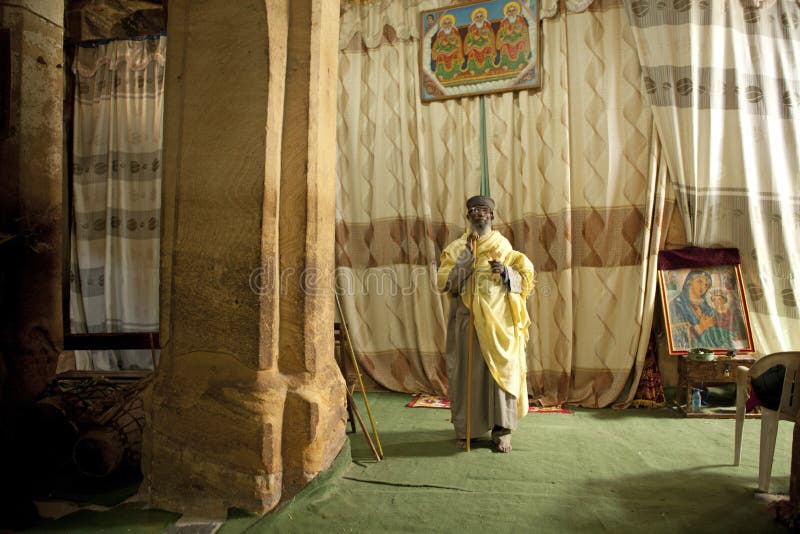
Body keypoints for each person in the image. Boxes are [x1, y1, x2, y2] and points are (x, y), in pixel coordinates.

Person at [436, 195, 535, 452]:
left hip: (500, 323)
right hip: (468, 321)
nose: (479, 214)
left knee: (500, 376)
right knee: (468, 376)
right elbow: (447, 283)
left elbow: (525, 279)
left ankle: (502, 430)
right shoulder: (456, 248)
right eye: (474, 211)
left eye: (484, 210)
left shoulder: (503, 245)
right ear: (467, 216)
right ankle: (467, 429)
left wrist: (505, 272)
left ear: (491, 215)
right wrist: (467, 257)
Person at [667, 270, 732, 349]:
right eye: (699, 281)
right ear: (689, 282)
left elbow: (717, 333)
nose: (703, 287)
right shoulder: (677, 304)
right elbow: (675, 335)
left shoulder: (708, 307)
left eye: (706, 285)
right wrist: (701, 327)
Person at [495, 1, 531, 71]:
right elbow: (501, 32)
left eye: (513, 10)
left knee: (521, 44)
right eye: (509, 11)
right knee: (504, 46)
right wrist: (502, 37)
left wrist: (522, 34)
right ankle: (505, 64)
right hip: (507, 40)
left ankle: (521, 62)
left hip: (518, 38)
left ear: (516, 11)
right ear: (507, 12)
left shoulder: (520, 20)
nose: (511, 12)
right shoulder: (504, 22)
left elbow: (524, 30)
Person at [463, 7, 496, 76]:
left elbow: (491, 38)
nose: (479, 18)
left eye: (481, 16)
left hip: (486, 44)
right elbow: (468, 40)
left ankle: (488, 67)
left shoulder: (487, 27)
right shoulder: (472, 30)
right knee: (472, 52)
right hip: (474, 46)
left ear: (484, 17)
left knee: (487, 49)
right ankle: (472, 69)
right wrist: (470, 43)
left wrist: (488, 39)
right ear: (474, 19)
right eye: (477, 17)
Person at [431, 14, 463, 83]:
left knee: (455, 54)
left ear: (451, 24)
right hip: (443, 51)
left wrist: (455, 44)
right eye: (445, 23)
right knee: (440, 56)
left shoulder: (455, 33)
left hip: (453, 50)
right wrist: (438, 49)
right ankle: (441, 74)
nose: (447, 25)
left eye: (449, 23)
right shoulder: (440, 35)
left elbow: (459, 44)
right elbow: (437, 46)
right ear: (442, 25)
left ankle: (455, 72)